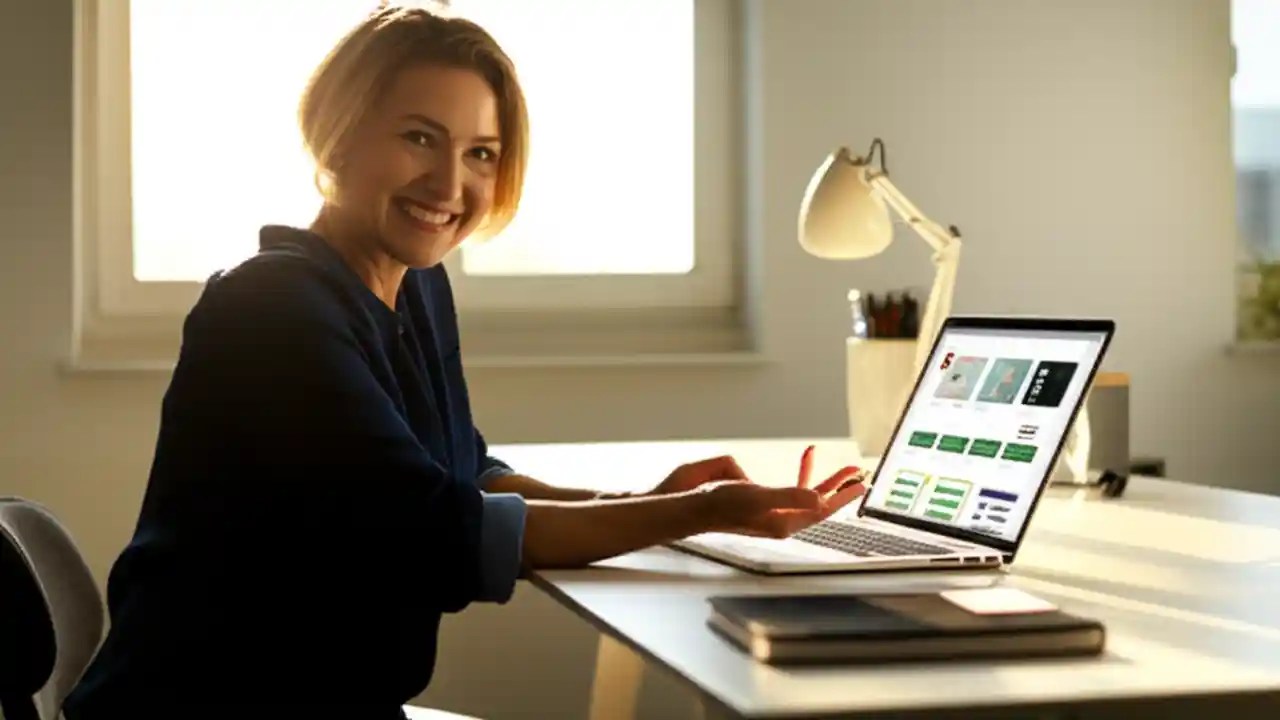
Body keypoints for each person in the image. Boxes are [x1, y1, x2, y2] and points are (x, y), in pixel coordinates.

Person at [63, 6, 865, 718]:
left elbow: (465, 476)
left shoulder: (414, 287)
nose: (450, 183)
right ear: (339, 135)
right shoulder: (272, 310)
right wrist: (698, 513)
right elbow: (441, 533)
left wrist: (644, 500)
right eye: (419, 138)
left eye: (481, 152)